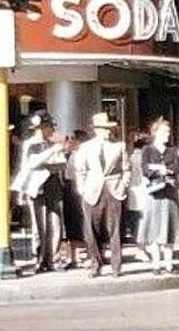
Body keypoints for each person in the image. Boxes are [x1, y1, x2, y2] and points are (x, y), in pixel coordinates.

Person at [75, 112, 131, 278]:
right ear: (97, 130)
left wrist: (123, 186)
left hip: (114, 190)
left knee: (115, 229)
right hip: (92, 191)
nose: (108, 131)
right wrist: (82, 189)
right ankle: (95, 263)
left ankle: (116, 266)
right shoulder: (86, 147)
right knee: (92, 229)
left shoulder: (119, 146)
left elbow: (126, 169)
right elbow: (81, 170)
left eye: (109, 128)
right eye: (104, 129)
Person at [12, 111, 68, 273]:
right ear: (41, 128)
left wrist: (49, 158)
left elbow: (61, 163)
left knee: (56, 223)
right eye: (49, 126)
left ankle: (54, 259)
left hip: (53, 185)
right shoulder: (31, 144)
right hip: (37, 187)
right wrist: (52, 153)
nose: (51, 130)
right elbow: (32, 163)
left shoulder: (50, 144)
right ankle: (40, 258)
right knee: (40, 225)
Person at [141, 118, 179, 275]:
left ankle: (169, 265)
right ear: (156, 133)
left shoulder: (173, 150)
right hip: (154, 195)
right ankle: (156, 264)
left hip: (169, 195)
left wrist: (161, 169)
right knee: (154, 230)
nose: (168, 134)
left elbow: (177, 167)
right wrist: (160, 169)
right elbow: (145, 169)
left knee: (169, 231)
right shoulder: (147, 150)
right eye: (165, 131)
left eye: (168, 131)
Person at [60, 129, 89, 269]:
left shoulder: (84, 155)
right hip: (69, 190)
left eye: (73, 139)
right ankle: (73, 255)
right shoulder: (67, 155)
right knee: (71, 223)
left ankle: (86, 252)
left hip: (81, 189)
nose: (70, 141)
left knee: (81, 222)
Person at [127, 132, 151, 261]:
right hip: (143, 193)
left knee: (136, 222)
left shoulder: (131, 157)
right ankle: (141, 249)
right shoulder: (144, 158)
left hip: (132, 194)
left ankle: (140, 247)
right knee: (142, 222)